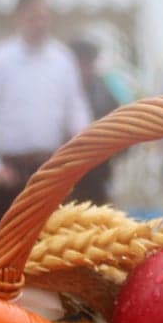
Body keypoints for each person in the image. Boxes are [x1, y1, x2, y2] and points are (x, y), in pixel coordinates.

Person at [0, 0, 91, 224]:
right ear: (19, 19)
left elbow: (75, 108)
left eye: (43, 17)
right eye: (32, 17)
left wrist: (78, 151)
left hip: (50, 166)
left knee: (53, 241)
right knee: (9, 244)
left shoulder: (62, 59)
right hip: (12, 168)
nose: (39, 24)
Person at [68, 36, 125, 202]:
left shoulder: (104, 89)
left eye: (89, 62)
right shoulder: (63, 88)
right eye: (81, 62)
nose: (85, 67)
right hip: (70, 167)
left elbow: (120, 120)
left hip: (99, 165)